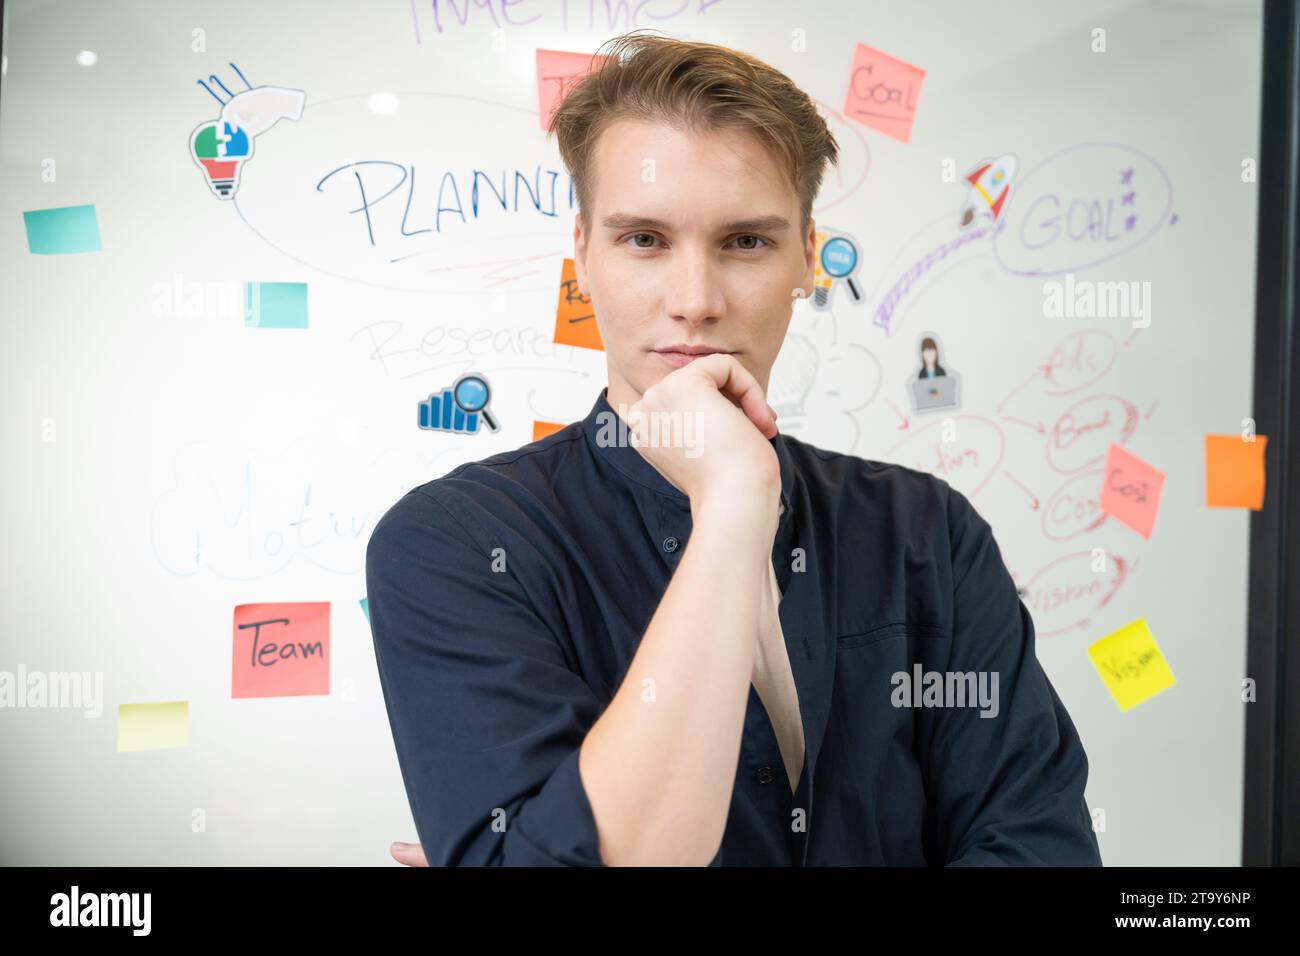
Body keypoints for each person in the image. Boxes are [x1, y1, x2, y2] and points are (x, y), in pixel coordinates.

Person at [366, 31, 1102, 867]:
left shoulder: (928, 530)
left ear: (808, 260)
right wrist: (731, 508)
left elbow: (1041, 850)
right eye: (643, 239)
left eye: (746, 242)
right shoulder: (454, 545)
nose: (696, 301)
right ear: (584, 255)